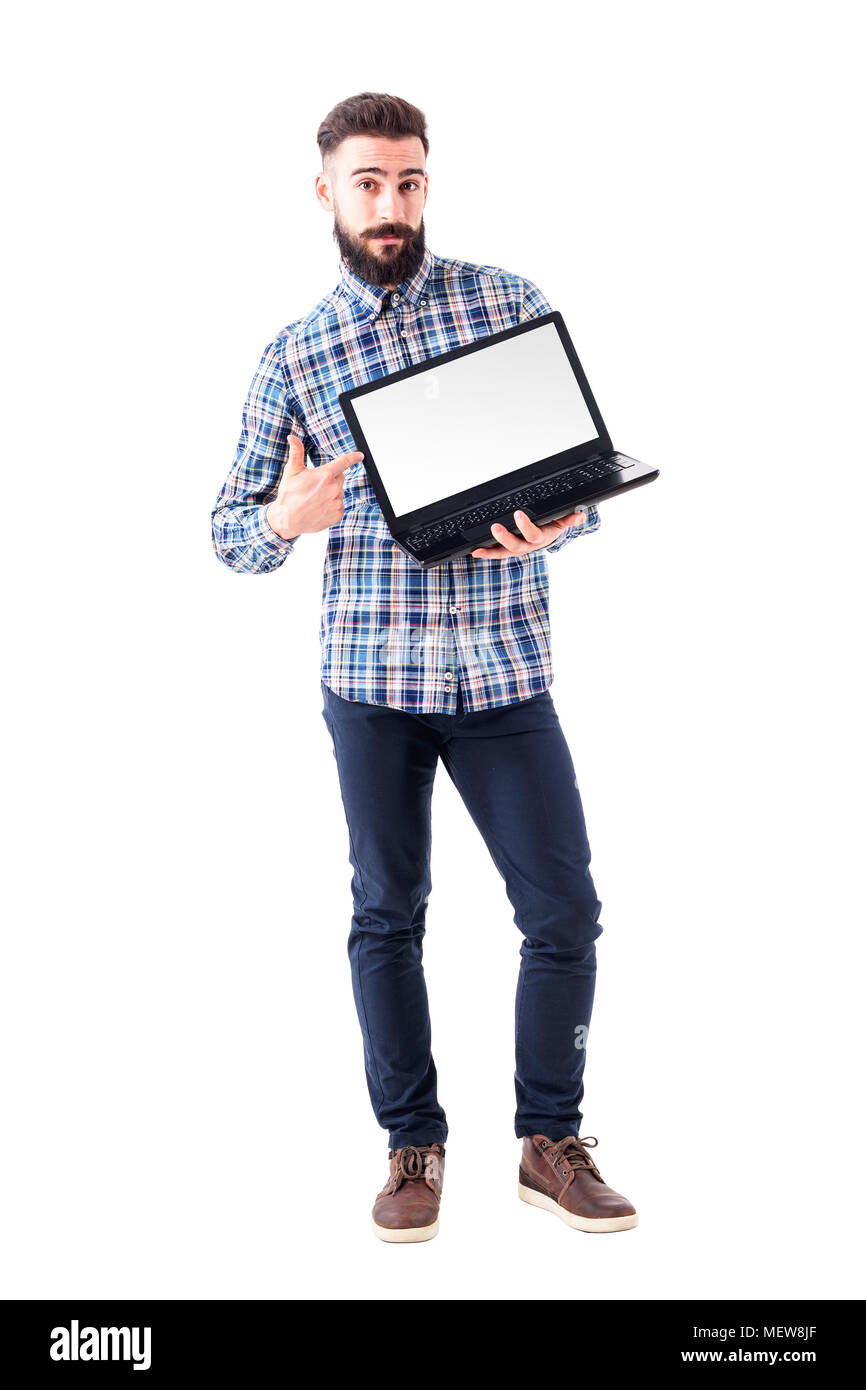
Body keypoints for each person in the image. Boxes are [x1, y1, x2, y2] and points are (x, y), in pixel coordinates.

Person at [211, 91, 637, 1243]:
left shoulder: (507, 303)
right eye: (365, 183)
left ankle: (549, 1142)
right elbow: (228, 531)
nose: (388, 205)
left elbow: (580, 473)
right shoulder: (292, 355)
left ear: (425, 183)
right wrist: (286, 519)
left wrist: (563, 519)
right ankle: (412, 1148)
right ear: (325, 192)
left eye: (405, 182)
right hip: (373, 687)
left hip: (504, 675)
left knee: (563, 910)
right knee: (386, 913)